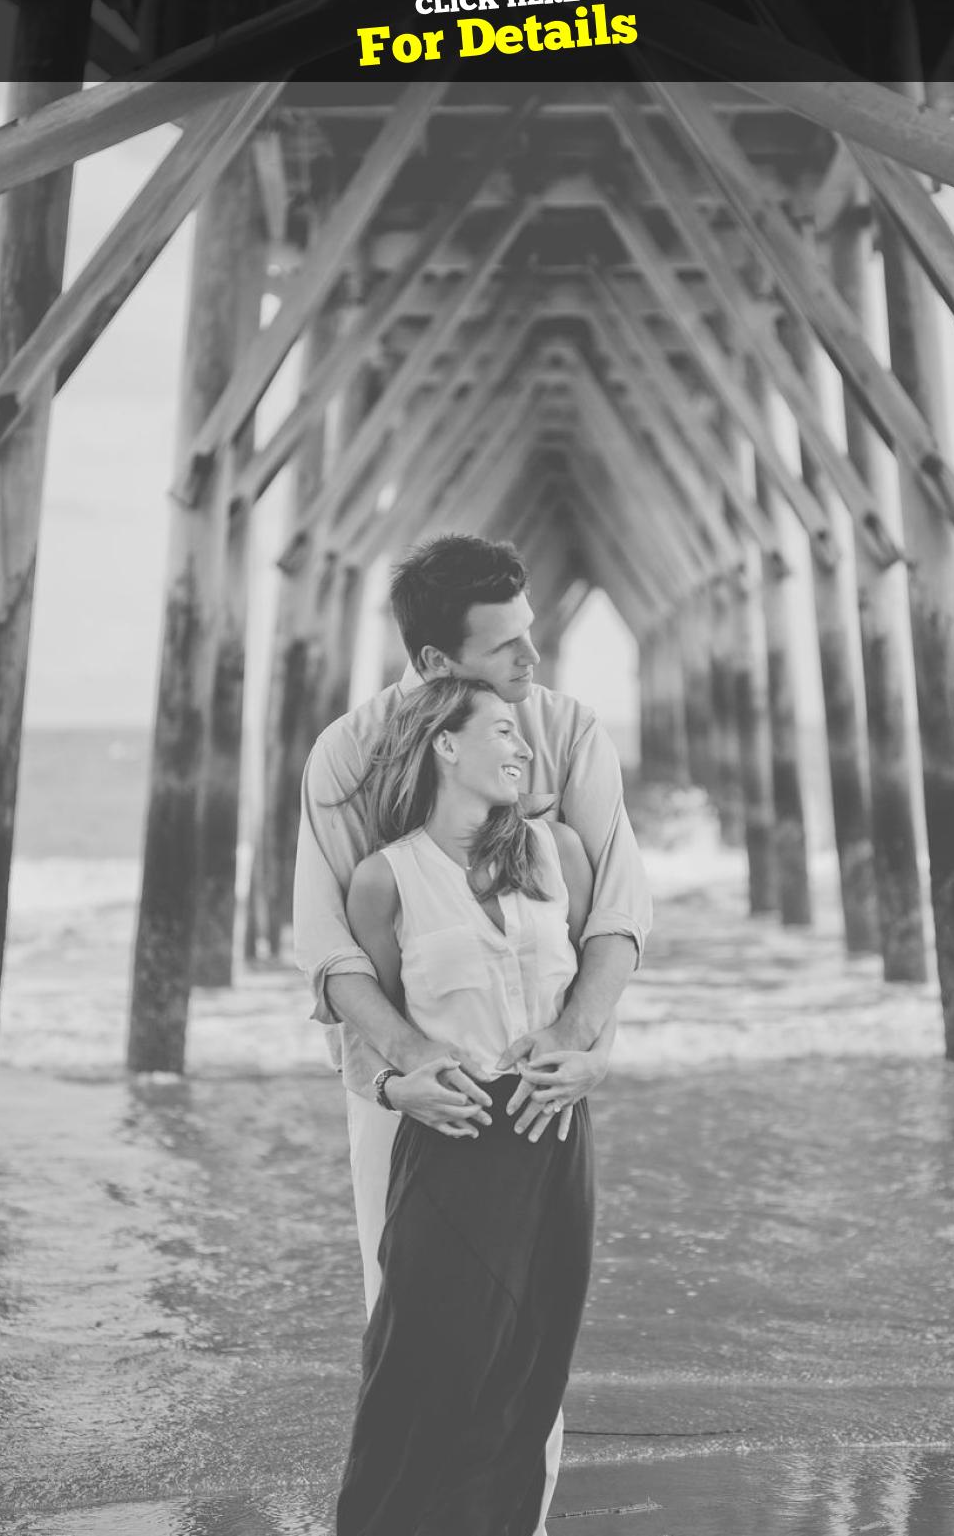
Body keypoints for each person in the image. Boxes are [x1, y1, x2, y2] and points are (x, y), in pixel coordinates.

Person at [293, 534, 652, 1531]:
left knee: (531, 1354)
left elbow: (614, 917)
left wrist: (581, 1043)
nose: (533, 662)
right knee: (412, 1330)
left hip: (543, 1096)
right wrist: (406, 1069)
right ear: (434, 666)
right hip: (400, 1095)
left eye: (529, 637)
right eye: (506, 649)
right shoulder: (348, 756)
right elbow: (333, 954)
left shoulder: (568, 736)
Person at [334, 676, 598, 1534]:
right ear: (445, 744)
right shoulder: (386, 879)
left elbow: (592, 1003)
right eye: (503, 731)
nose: (522, 747)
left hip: (557, 1144)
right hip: (452, 1150)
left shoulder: (558, 852)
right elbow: (358, 1027)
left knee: (526, 1389)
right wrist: (389, 1084)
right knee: (418, 1388)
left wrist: (593, 1060)